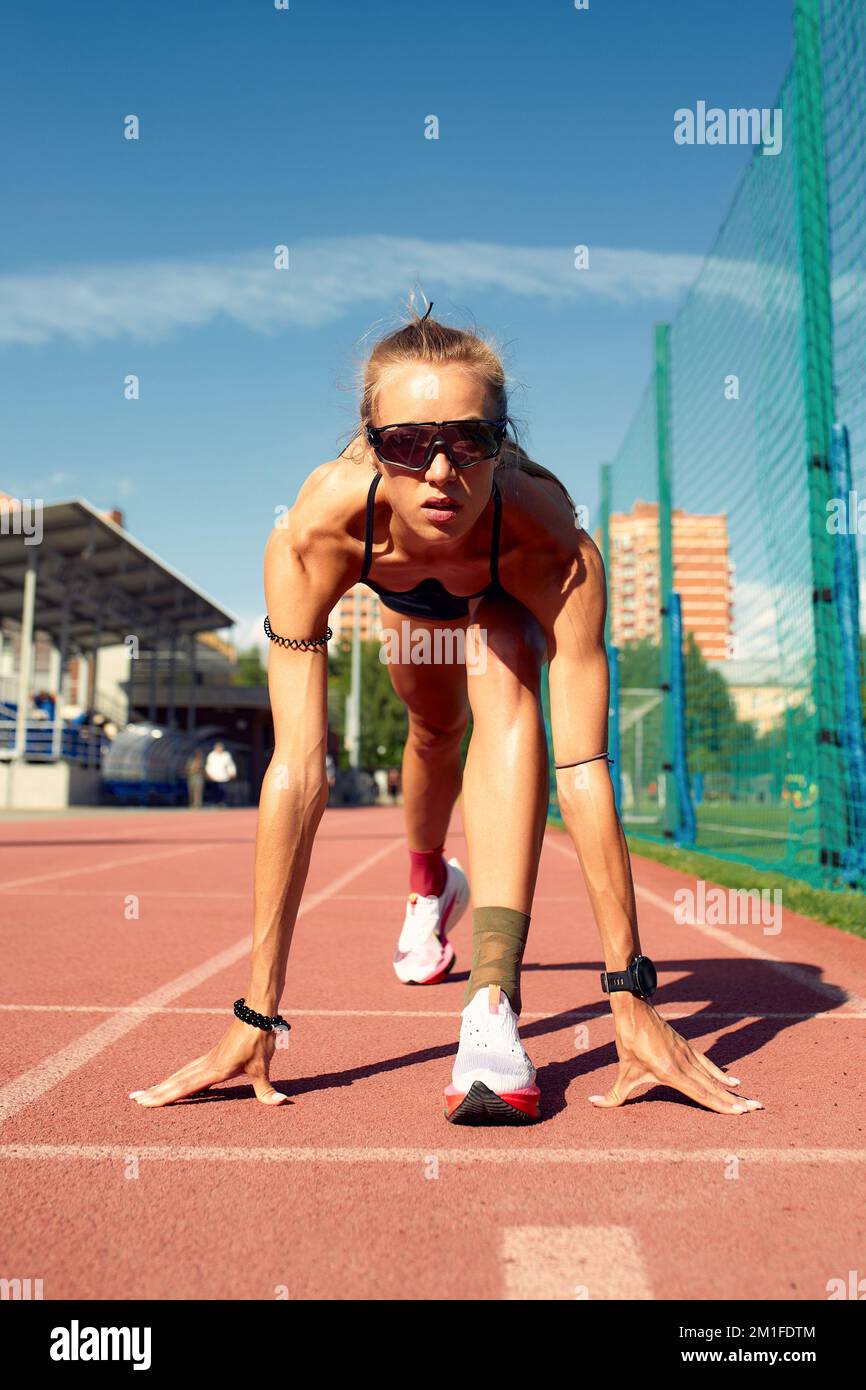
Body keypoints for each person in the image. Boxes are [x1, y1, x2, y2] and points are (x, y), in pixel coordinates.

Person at [130, 305, 762, 1122]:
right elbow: (296, 770)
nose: (438, 472)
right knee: (432, 728)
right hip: (405, 599)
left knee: (502, 662)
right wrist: (256, 1016)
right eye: (405, 443)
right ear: (368, 442)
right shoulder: (316, 534)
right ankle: (430, 885)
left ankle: (491, 1005)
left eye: (467, 441)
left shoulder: (552, 545)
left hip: (497, 585)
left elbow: (582, 770)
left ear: (500, 443)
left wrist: (631, 996)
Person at [205, 740, 236, 807]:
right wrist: (209, 774)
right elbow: (208, 766)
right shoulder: (211, 755)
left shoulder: (226, 755)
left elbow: (230, 765)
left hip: (224, 777)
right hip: (214, 777)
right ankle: (215, 802)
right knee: (215, 791)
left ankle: (222, 802)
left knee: (223, 791)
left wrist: (232, 772)